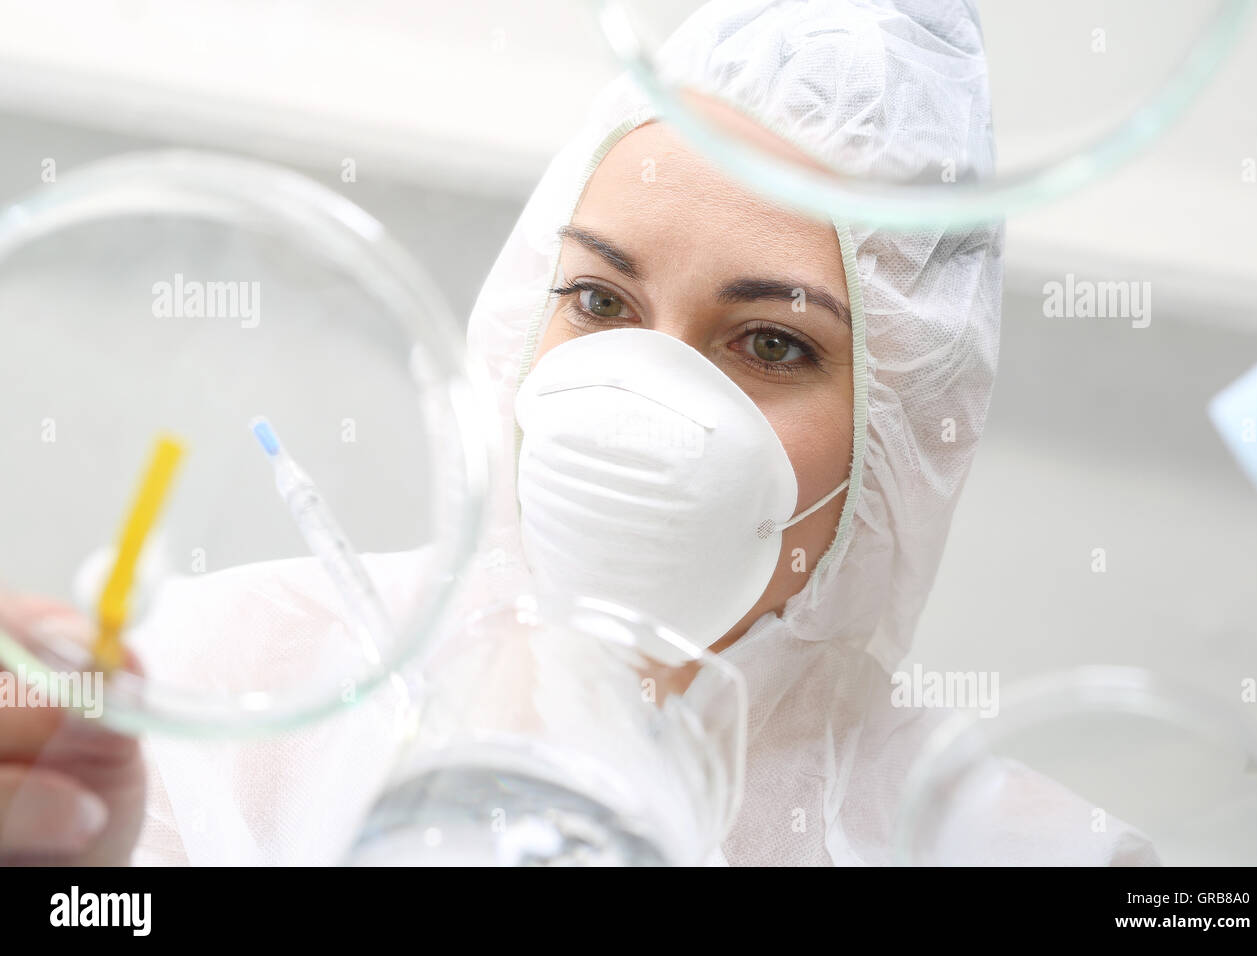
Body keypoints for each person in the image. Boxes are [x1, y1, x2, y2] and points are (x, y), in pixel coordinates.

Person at [0, 0, 1157, 865]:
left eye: (770, 341)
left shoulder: (1033, 849)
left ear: (898, 434)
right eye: (600, 301)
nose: (640, 393)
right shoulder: (226, 680)